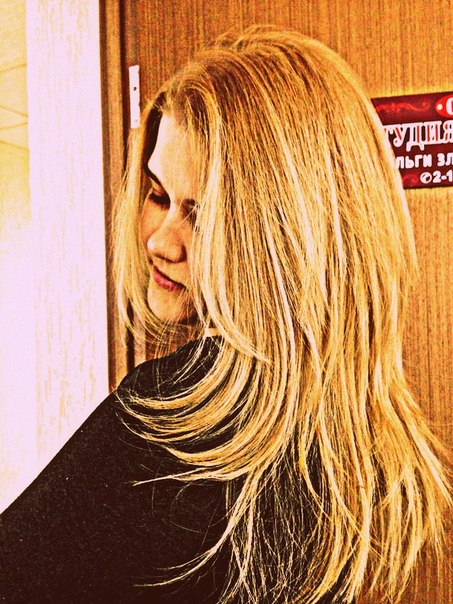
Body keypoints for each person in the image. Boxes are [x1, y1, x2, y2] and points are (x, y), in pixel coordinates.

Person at [0, 25, 450, 603]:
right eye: (158, 195)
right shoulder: (351, 445)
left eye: (203, 215)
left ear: (288, 237)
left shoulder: (171, 419)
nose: (160, 242)